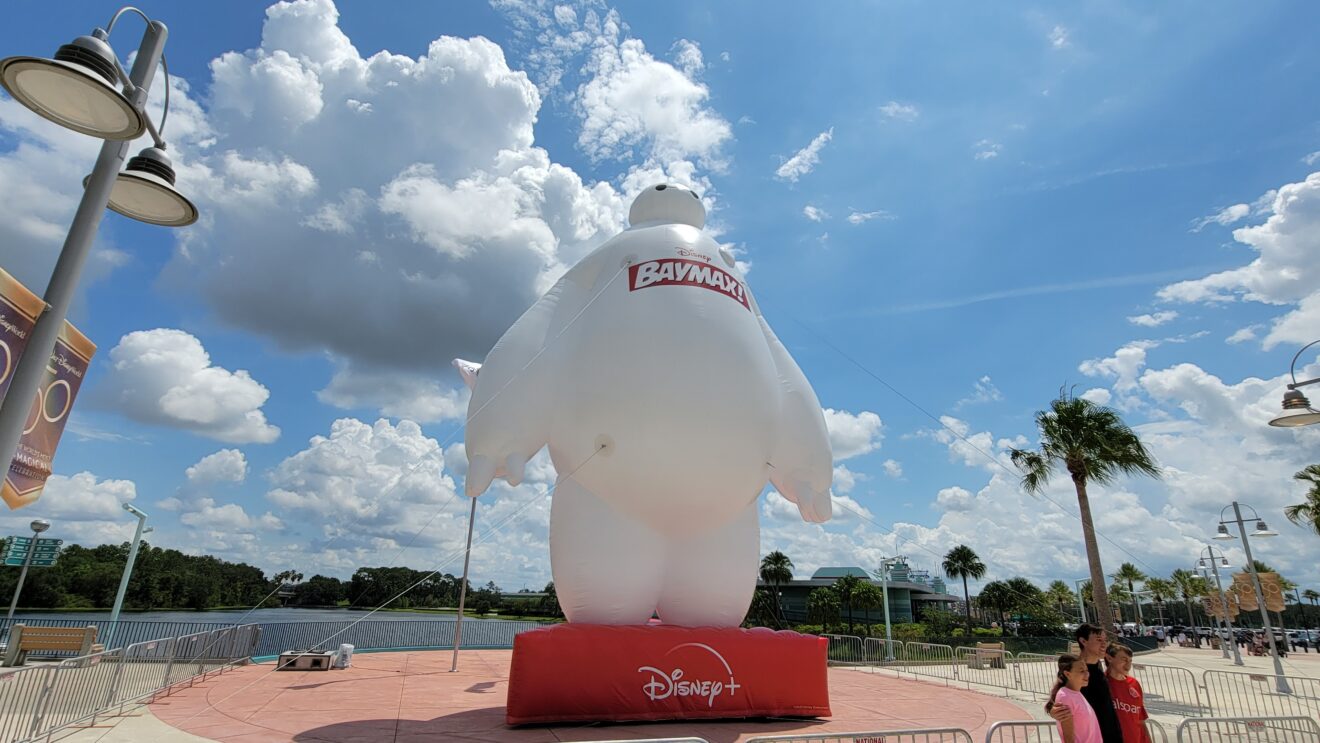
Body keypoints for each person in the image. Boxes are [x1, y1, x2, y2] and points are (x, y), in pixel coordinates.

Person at [1052, 623, 1124, 743]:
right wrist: (1053, 711)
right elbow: (1058, 699)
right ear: (1083, 641)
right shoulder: (1075, 672)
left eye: (1105, 640)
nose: (1104, 644)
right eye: (1099, 640)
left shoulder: (1098, 668)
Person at [1047, 654, 1102, 743]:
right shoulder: (1065, 697)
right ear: (1068, 674)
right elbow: (1069, 739)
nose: (1086, 674)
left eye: (1086, 670)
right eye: (1081, 671)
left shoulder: (1077, 693)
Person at [1105, 643, 1151, 743]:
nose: (1128, 665)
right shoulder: (1101, 684)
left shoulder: (1134, 683)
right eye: (1124, 660)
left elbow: (1141, 719)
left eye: (1130, 661)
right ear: (1109, 658)